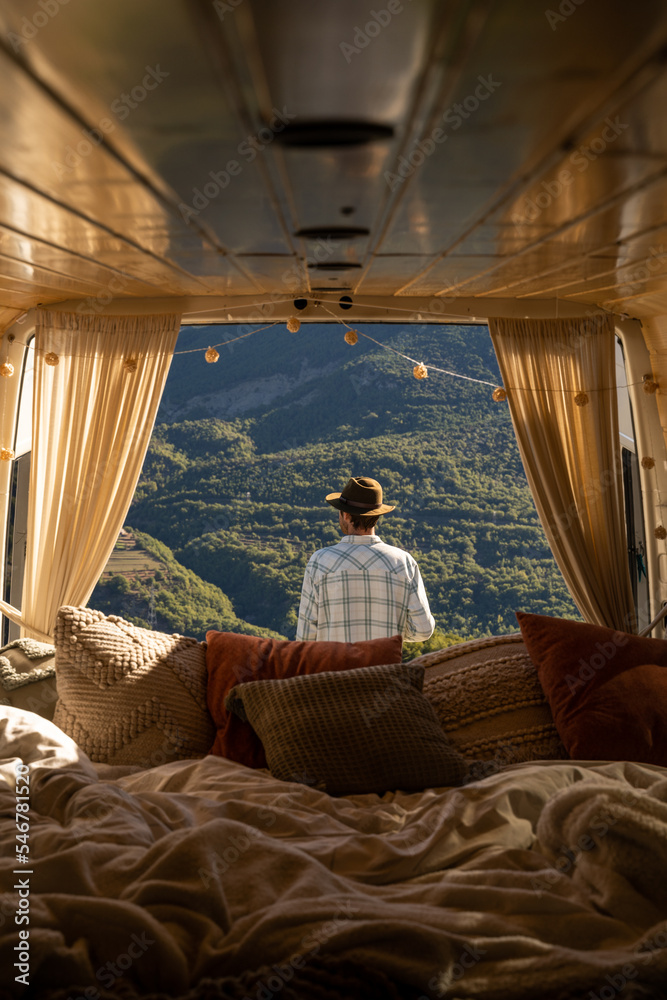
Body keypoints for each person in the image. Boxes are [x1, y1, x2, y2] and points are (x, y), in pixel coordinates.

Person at [296, 476, 435, 643]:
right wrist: (391, 629)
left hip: (335, 661)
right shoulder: (403, 563)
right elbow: (423, 630)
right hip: (384, 661)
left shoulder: (320, 562)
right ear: (377, 516)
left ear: (346, 515)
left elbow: (305, 637)